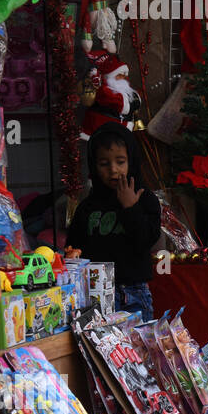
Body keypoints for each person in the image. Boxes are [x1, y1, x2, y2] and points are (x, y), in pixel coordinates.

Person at [65, 122, 162, 320]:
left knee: (135, 349)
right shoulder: (87, 207)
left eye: (120, 161)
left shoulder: (144, 198)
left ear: (131, 161)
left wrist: (130, 208)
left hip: (132, 292)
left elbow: (146, 239)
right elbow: (74, 244)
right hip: (94, 292)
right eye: (104, 164)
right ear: (94, 166)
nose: (113, 170)